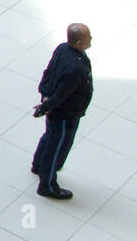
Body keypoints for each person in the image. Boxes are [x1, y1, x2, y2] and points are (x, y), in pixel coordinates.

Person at [31, 23, 95, 200]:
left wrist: (45, 98)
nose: (92, 38)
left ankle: (38, 165)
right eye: (89, 36)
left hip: (53, 107)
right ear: (80, 43)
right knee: (58, 145)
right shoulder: (76, 70)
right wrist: (47, 106)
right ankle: (48, 185)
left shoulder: (62, 49)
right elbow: (62, 95)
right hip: (65, 114)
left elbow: (49, 73)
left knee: (50, 137)